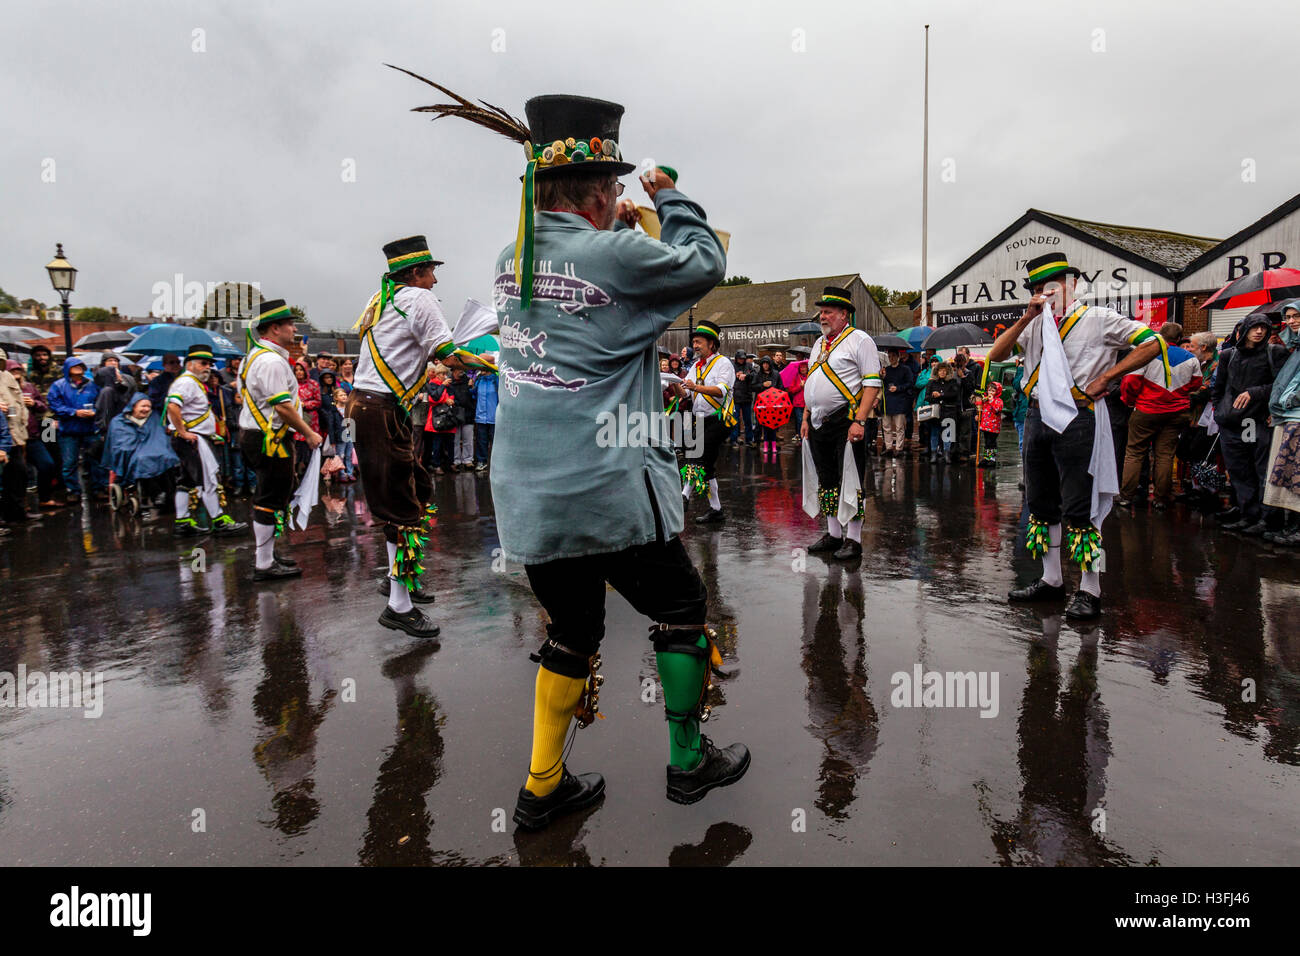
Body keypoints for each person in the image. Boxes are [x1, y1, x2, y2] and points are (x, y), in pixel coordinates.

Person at [439, 90, 750, 828]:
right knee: (679, 609)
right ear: (597, 193)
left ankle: (542, 787)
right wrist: (667, 195)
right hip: (606, 484)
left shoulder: (509, 255)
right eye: (613, 188)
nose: (619, 197)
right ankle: (687, 762)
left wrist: (623, 222)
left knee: (571, 631)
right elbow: (704, 261)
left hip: (526, 490)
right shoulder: (613, 249)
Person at [988, 253, 1164, 620]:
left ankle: (1090, 590)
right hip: (1037, 415)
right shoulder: (1034, 323)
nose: (1045, 293)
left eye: (1051, 286)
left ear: (1072, 285)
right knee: (1040, 502)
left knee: (1079, 507)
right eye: (1038, 288)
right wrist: (1026, 317)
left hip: (1078, 417)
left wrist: (1108, 377)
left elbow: (1152, 343)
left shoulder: (1098, 319)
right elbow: (996, 354)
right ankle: (1051, 580)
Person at [349, 235, 468, 637]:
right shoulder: (419, 299)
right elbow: (448, 355)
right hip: (381, 409)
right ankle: (397, 606)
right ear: (417, 273)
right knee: (403, 506)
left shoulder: (381, 298)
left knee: (416, 490)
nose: (435, 280)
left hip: (374, 407)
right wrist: (494, 363)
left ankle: (401, 580)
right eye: (432, 271)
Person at [238, 299, 322, 580]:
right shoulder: (271, 361)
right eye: (289, 324)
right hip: (268, 438)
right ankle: (263, 564)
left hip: (261, 435)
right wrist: (309, 433)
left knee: (275, 496)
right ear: (274, 328)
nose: (294, 328)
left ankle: (268, 555)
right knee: (269, 497)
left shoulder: (254, 356)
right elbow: (283, 406)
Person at [801, 285, 882, 560]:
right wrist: (805, 416)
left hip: (846, 421)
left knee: (853, 479)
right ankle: (834, 534)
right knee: (827, 479)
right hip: (817, 423)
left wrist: (860, 421)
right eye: (821, 312)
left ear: (844, 314)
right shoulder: (818, 343)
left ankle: (854, 539)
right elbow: (811, 382)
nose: (822, 317)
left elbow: (872, 385)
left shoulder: (860, 340)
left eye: (828, 312)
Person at [1213, 312, 1289, 536]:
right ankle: (1247, 514)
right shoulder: (1228, 355)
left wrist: (1256, 394)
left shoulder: (1274, 353)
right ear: (1244, 329)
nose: (1259, 331)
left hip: (1257, 421)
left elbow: (1281, 384)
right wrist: (1220, 411)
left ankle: (1266, 519)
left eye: (1264, 328)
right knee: (1238, 470)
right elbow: (1219, 387)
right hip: (1231, 422)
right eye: (1255, 327)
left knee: (1261, 470)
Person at [1116, 322, 1201, 510]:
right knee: (1165, 455)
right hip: (1176, 413)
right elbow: (1196, 384)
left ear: (1159, 335)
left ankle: (1126, 496)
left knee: (1135, 453)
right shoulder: (1191, 358)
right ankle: (1161, 498)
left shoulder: (1146, 353)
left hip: (1146, 410)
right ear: (1179, 339)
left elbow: (1130, 381)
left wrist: (1129, 401)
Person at [166, 343, 248, 536]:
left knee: (186, 481)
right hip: (193, 439)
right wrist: (184, 432)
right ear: (189, 364)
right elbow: (172, 406)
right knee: (208, 480)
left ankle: (182, 522)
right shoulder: (186, 382)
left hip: (194, 438)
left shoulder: (192, 382)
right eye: (203, 363)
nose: (207, 368)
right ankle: (219, 521)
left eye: (209, 364)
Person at [674, 319, 735, 522]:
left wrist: (695, 388)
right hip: (700, 419)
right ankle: (716, 510)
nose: (695, 346)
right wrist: (672, 382)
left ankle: (683, 495)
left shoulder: (723, 363)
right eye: (694, 342)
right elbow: (684, 392)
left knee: (696, 455)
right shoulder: (696, 367)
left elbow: (720, 391)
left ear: (712, 344)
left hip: (720, 418)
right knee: (706, 466)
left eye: (699, 342)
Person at [1263, 299, 1300, 545]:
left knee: (1296, 475)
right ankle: (1293, 527)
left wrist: (1290, 400)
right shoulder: (1295, 347)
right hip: (1288, 416)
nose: (1291, 321)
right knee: (1289, 475)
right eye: (1288, 317)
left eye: (1296, 316)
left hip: (1296, 416)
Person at [101, 394, 179, 510]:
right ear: (133, 406)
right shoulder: (118, 422)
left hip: (155, 449)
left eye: (149, 406)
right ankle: (156, 493)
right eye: (143, 406)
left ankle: (169, 493)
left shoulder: (155, 417)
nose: (146, 409)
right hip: (134, 454)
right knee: (143, 461)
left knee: (167, 457)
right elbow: (120, 443)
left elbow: (160, 436)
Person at [47, 357, 107, 504]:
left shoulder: (93, 385)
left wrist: (94, 411)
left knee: (95, 460)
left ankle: (98, 489)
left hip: (90, 429)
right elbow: (54, 405)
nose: (79, 368)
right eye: (75, 366)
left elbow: (101, 402)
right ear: (67, 368)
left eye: (81, 366)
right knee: (69, 463)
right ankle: (73, 491)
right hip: (69, 430)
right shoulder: (58, 386)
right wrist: (74, 412)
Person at [9, 362, 57, 508]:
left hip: (35, 433)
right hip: (13, 437)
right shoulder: (4, 388)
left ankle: (45, 498)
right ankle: (21, 504)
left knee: (47, 464)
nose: (16, 372)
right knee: (19, 472)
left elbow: (44, 406)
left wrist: (34, 403)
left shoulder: (29, 386)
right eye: (13, 370)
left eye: (18, 369)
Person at [0, 351, 31, 525]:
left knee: (20, 473)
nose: (17, 371)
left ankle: (17, 513)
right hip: (46, 425)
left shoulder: (7, 378)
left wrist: (23, 420)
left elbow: (18, 401)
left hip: (24, 432)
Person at [880, 349, 915, 456]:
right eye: (889, 357)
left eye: (893, 356)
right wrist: (882, 376)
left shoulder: (905, 369)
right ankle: (889, 447)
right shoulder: (886, 370)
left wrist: (898, 388)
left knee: (899, 427)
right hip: (887, 401)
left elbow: (910, 383)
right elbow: (882, 384)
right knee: (886, 426)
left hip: (900, 401)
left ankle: (899, 448)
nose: (891, 359)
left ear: (898, 357)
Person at [927, 362, 961, 463]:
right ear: (936, 372)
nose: (942, 372)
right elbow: (927, 397)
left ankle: (947, 454)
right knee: (934, 433)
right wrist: (933, 396)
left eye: (944, 370)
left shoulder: (952, 382)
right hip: (935, 412)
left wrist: (941, 395)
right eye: (940, 370)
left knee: (948, 433)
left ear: (947, 371)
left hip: (949, 411)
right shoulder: (931, 383)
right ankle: (933, 454)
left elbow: (954, 394)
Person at [751, 356, 784, 455]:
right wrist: (762, 385)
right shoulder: (758, 374)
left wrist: (775, 393)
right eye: (763, 363)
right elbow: (753, 387)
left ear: (770, 364)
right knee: (758, 424)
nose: (765, 365)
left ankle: (772, 443)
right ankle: (756, 441)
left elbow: (781, 387)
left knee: (772, 424)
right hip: (761, 403)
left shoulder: (776, 374)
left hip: (772, 403)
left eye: (767, 363)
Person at [447, 367, 476, 470]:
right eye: (458, 369)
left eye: (462, 369)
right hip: (455, 414)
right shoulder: (449, 382)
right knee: (455, 439)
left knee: (468, 439)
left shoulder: (469, 381)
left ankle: (468, 460)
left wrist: (472, 387)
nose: (461, 371)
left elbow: (474, 397)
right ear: (453, 370)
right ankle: (456, 460)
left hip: (468, 413)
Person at [473, 362, 498, 473]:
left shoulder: (496, 380)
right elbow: (474, 396)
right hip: (480, 416)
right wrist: (471, 387)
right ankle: (481, 461)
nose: (480, 370)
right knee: (481, 441)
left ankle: (496, 463)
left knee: (495, 441)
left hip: (494, 417)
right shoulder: (479, 380)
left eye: (482, 367)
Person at [975, 380, 1005, 467]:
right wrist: (978, 415)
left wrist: (992, 401)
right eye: (989, 390)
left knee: (991, 442)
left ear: (997, 392)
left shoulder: (998, 401)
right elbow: (981, 409)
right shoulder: (986, 400)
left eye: (993, 391)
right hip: (985, 426)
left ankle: (992, 458)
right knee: (986, 442)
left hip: (993, 427)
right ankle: (987, 457)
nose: (990, 392)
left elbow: (997, 409)